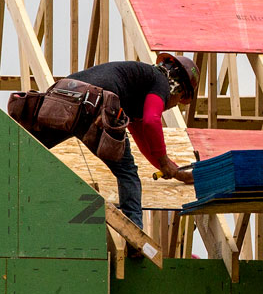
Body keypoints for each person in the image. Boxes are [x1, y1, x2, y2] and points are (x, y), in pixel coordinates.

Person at [12, 53, 198, 227]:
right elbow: (151, 121)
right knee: (127, 173)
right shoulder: (161, 83)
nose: (173, 104)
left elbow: (143, 139)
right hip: (98, 106)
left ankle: (3, 179)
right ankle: (134, 235)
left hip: (64, 96)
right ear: (178, 89)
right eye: (179, 99)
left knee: (28, 149)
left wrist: (171, 169)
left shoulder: (137, 84)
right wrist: (165, 161)